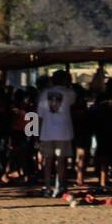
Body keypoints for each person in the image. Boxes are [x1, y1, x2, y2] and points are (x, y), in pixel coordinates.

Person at [37, 69, 77, 197]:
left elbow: (39, 115)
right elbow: (74, 101)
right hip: (63, 132)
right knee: (61, 160)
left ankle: (47, 186)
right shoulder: (69, 93)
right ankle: (59, 186)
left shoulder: (44, 93)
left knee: (47, 160)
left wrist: (35, 133)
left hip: (46, 132)